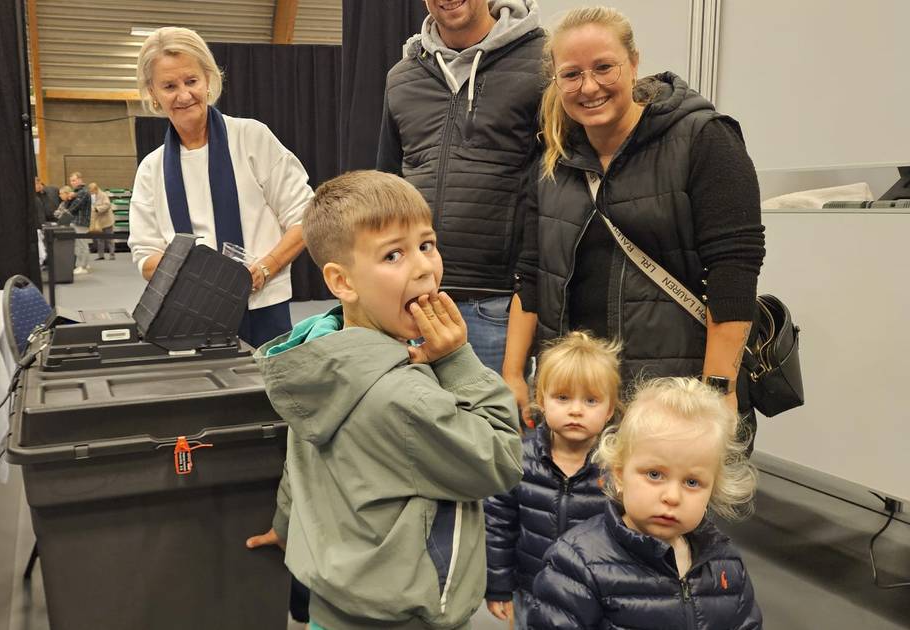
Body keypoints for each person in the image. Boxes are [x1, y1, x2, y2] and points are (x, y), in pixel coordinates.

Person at [245, 170, 523, 629]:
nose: (423, 268)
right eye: (393, 254)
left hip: (332, 606)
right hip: (401, 615)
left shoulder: (320, 351)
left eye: (427, 245)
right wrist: (457, 361)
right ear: (343, 281)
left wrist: (286, 524)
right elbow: (501, 458)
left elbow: (302, 461)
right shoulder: (403, 396)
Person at [502, 7, 765, 442]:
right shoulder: (551, 161)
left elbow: (734, 274)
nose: (589, 87)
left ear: (634, 63)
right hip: (578, 400)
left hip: (673, 395)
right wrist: (514, 374)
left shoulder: (704, 139)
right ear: (556, 81)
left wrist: (720, 389)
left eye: (604, 67)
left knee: (663, 509)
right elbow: (530, 276)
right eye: (571, 74)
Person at [376, 0, 546, 372]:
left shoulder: (542, 64)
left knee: (491, 428)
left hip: (499, 307)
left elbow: (555, 189)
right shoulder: (403, 77)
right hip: (415, 305)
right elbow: (387, 188)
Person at [128, 26, 312, 348]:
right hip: (189, 314)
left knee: (269, 394)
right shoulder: (151, 169)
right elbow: (145, 255)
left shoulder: (252, 137)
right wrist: (202, 281)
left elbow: (307, 217)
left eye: (191, 81)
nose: (183, 95)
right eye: (169, 86)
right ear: (153, 94)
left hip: (262, 306)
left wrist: (264, 269)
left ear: (209, 79)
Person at [529, 377, 762, 629]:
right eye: (654, 474)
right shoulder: (576, 565)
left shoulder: (725, 565)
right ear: (619, 474)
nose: (672, 497)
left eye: (692, 482)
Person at [484, 331, 620, 629]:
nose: (575, 409)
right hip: (532, 591)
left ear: (610, 409)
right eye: (562, 397)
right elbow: (498, 525)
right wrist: (497, 584)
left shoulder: (618, 469)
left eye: (591, 400)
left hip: (596, 598)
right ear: (541, 400)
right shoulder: (518, 459)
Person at [67, 172, 95, 274]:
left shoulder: (83, 192)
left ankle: (82, 266)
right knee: (79, 245)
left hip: (80, 222)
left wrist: (71, 198)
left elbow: (74, 207)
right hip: (77, 222)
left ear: (80, 180)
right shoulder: (78, 192)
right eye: (71, 181)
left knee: (81, 245)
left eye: (74, 180)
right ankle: (84, 264)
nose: (72, 183)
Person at [86, 182, 113, 260]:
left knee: (109, 239)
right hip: (99, 222)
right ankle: (101, 256)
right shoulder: (92, 196)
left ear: (96, 189)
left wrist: (97, 209)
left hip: (107, 220)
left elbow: (107, 205)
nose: (90, 192)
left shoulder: (103, 195)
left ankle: (112, 254)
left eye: (91, 191)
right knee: (100, 239)